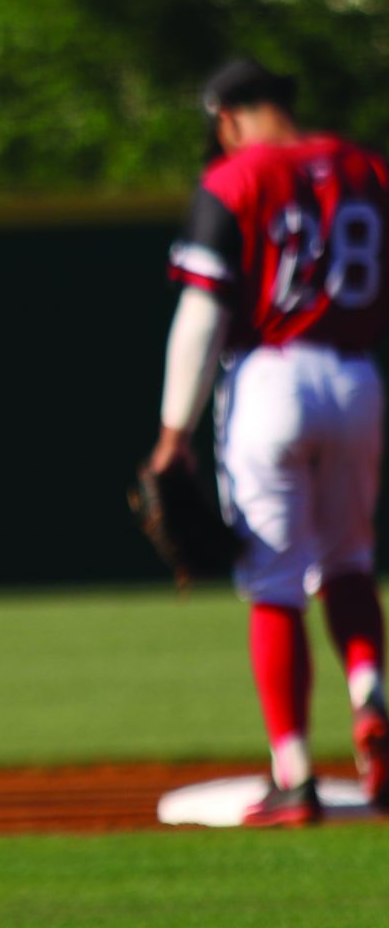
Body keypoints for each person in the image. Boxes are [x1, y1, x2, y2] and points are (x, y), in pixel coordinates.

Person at [152, 57, 389, 827]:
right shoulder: (367, 169)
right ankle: (371, 705)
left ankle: (293, 772)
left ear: (225, 117)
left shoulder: (235, 178)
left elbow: (201, 316)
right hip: (357, 379)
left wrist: (171, 435)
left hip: (271, 382)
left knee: (275, 581)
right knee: (349, 562)